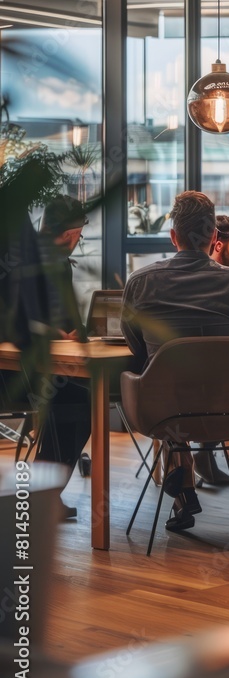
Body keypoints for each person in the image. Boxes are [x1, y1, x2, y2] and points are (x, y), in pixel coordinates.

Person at [121, 191, 229, 534]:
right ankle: (184, 485)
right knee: (184, 394)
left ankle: (183, 484)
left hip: (164, 408)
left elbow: (136, 349)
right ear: (215, 238)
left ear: (174, 237)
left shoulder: (140, 283)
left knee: (167, 394)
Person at [35, 196, 90, 520]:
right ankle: (42, 496)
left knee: (76, 400)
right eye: (79, 236)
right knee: (80, 403)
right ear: (71, 234)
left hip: (44, 368)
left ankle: (44, 494)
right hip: (14, 372)